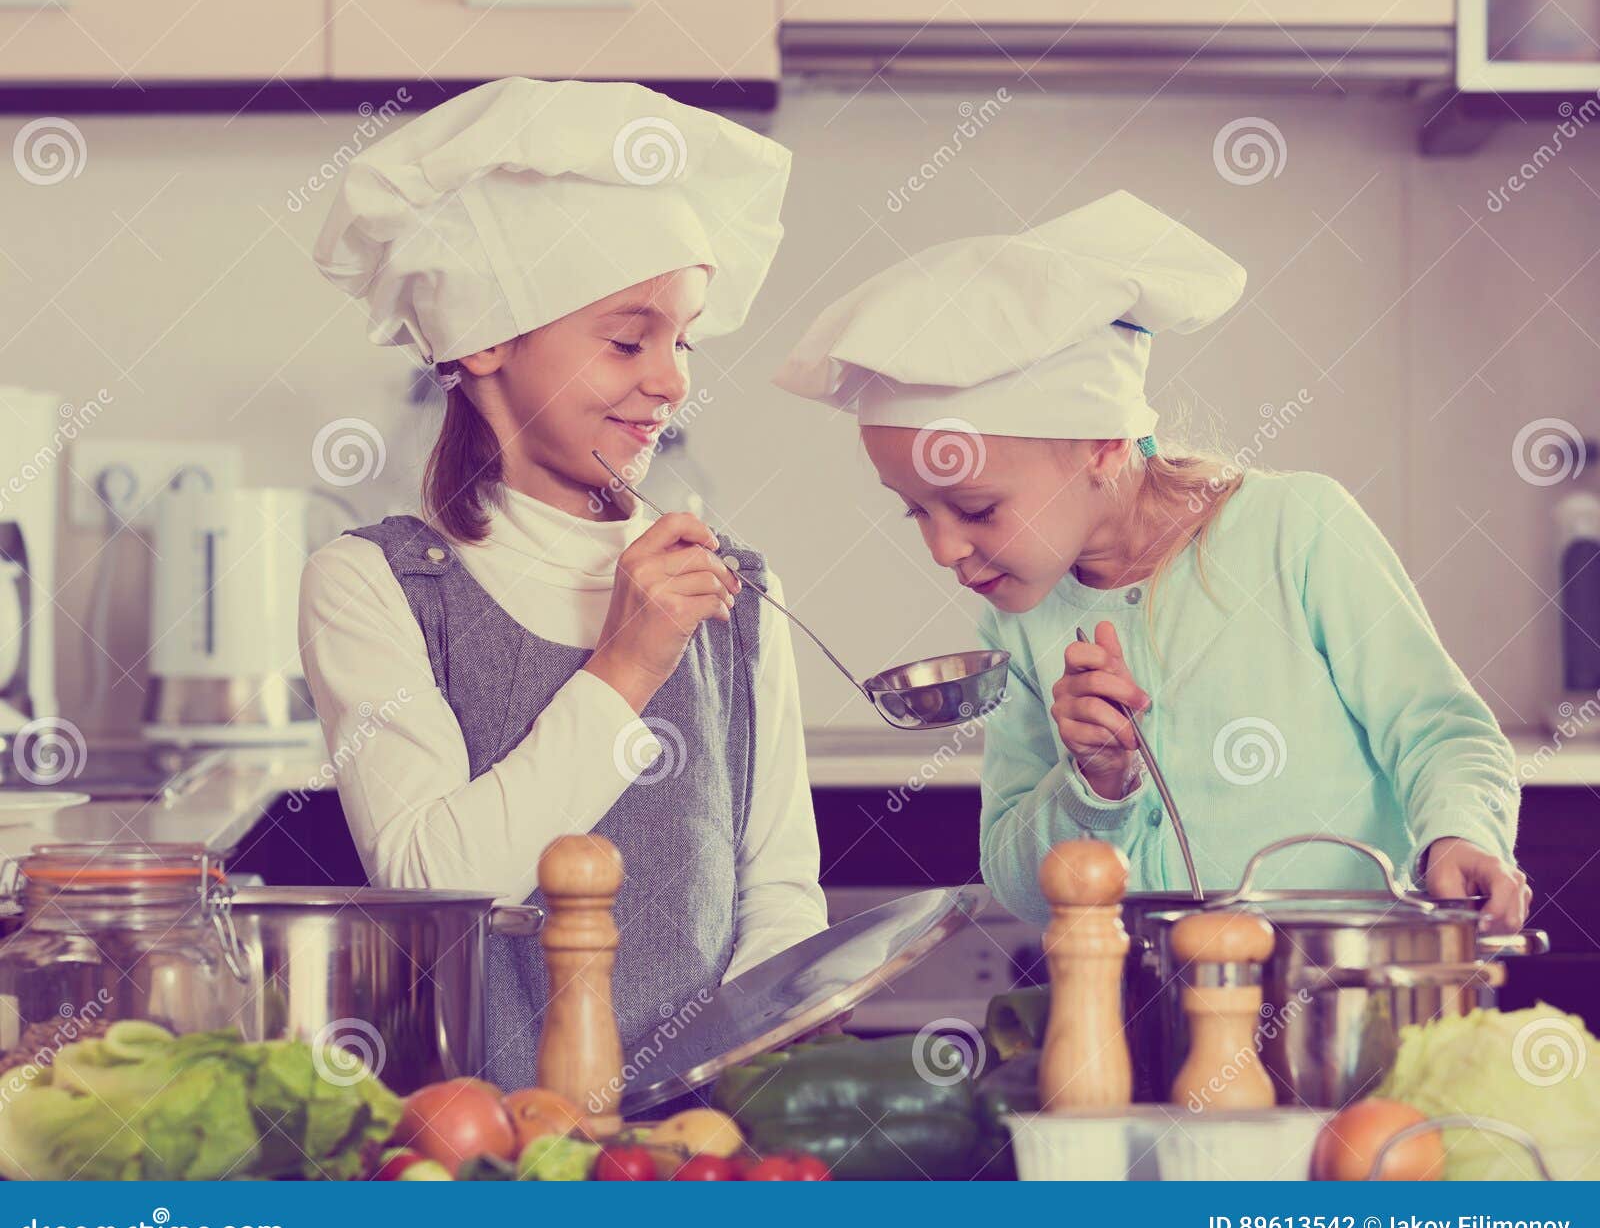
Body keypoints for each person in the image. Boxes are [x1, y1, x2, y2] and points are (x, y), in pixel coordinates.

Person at [774, 189, 1530, 933]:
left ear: (1103, 443)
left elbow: (1439, 729)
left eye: (975, 510)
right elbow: (1019, 887)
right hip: (1145, 1022)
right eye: (916, 511)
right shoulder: (1021, 627)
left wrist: (1460, 833)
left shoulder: (1294, 529)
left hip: (1337, 1006)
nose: (942, 550)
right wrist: (1094, 786)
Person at [299, 78, 828, 1090]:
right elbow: (432, 887)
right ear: (485, 340)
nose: (672, 379)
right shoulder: (372, 583)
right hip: (483, 1149)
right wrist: (626, 662)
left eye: (684, 340)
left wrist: (724, 1102)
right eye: (629, 339)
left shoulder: (732, 587)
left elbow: (779, 894)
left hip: (703, 1146)